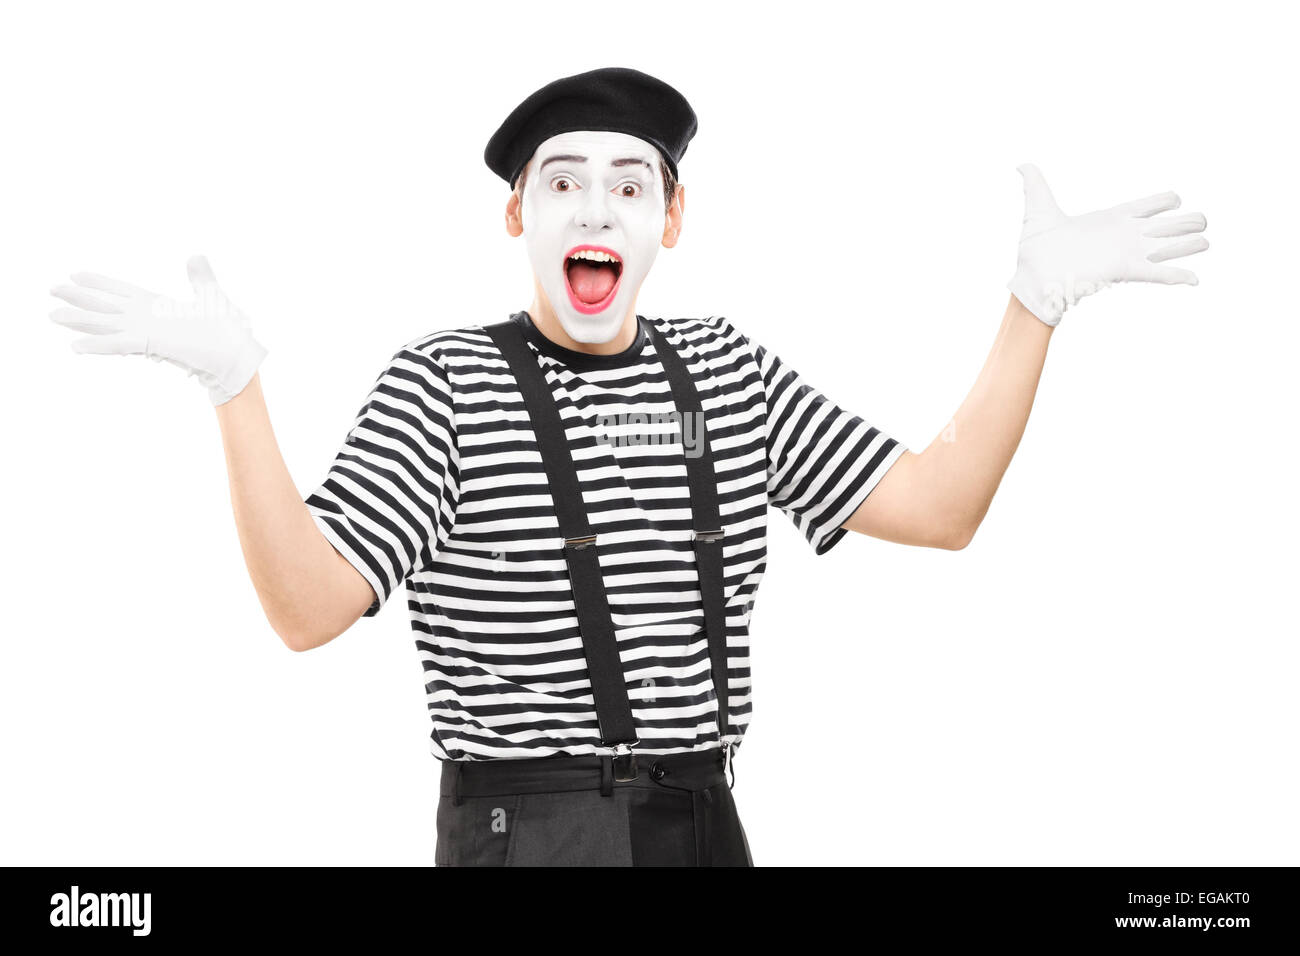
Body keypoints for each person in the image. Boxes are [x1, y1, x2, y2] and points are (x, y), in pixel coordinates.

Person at [47, 66, 1209, 866]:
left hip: (706, 817)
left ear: (671, 217)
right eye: (560, 180)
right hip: (525, 829)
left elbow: (944, 505)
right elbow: (308, 609)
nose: (591, 202)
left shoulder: (728, 372)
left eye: (625, 182)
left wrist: (1032, 307)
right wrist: (236, 390)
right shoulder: (443, 380)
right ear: (519, 217)